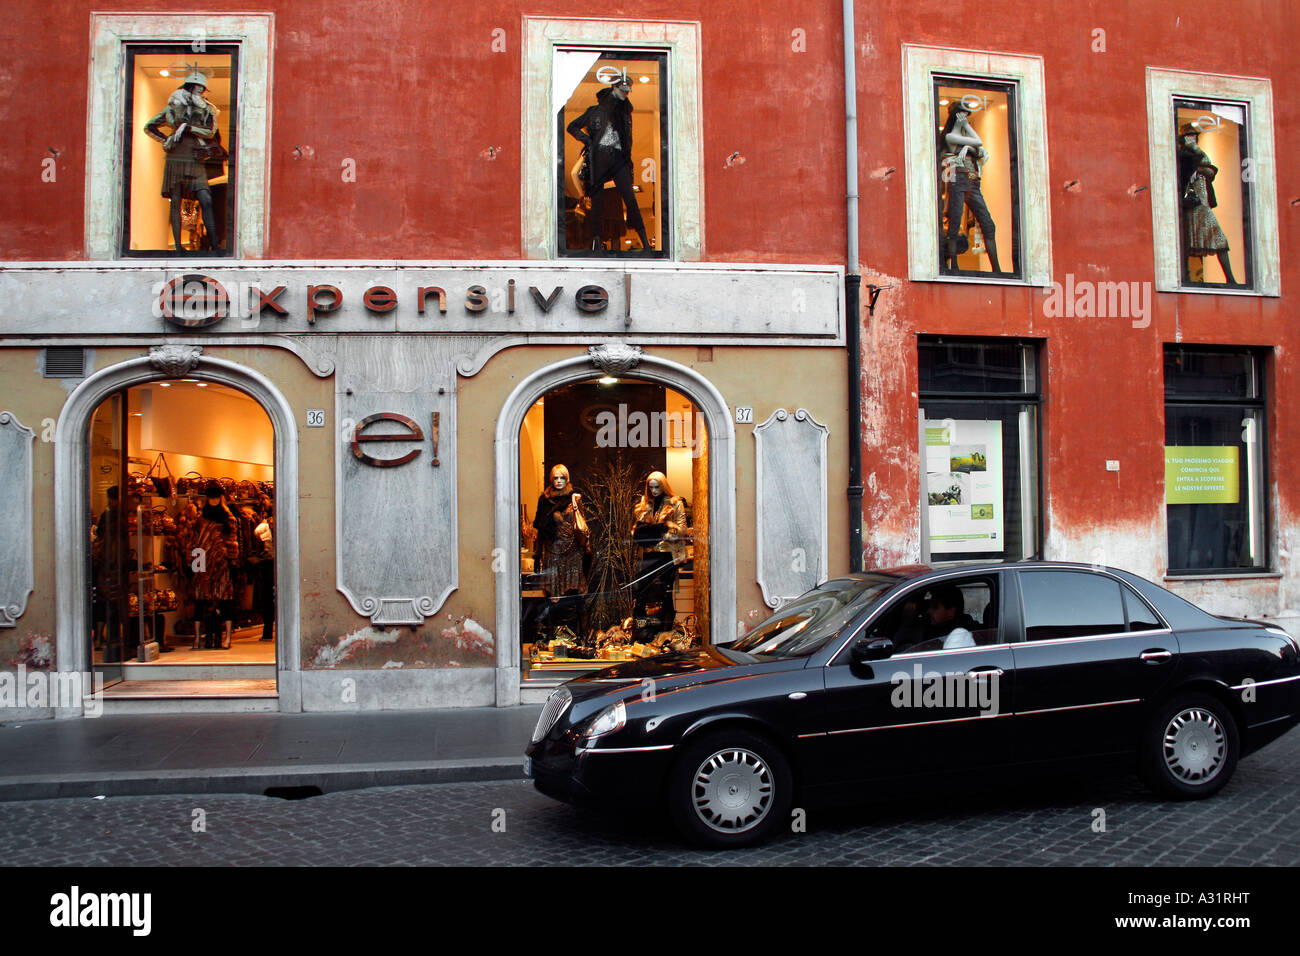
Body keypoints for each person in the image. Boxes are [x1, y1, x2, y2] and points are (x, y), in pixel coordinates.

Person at [566, 72, 652, 252]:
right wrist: (589, 141)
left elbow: (628, 138)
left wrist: (627, 161)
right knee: (597, 202)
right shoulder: (595, 111)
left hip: (618, 159)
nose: (627, 91)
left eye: (628, 88)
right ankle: (597, 243)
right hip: (601, 157)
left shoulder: (624, 112)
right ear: (615, 87)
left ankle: (645, 242)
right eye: (624, 87)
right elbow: (572, 126)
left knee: (630, 199)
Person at [143, 69, 222, 252]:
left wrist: (188, 127)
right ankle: (178, 247)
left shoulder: (207, 109)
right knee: (176, 200)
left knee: (205, 198)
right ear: (189, 86)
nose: (199, 90)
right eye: (197, 87)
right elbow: (150, 127)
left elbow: (209, 131)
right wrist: (166, 139)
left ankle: (215, 246)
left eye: (202, 88)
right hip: (176, 153)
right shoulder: (173, 107)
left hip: (195, 154)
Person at [939, 100, 1002, 273]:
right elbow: (977, 141)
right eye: (963, 114)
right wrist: (965, 128)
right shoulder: (950, 137)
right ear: (956, 116)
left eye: (966, 115)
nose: (965, 117)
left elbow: (978, 141)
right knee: (954, 223)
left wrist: (966, 126)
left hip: (973, 182)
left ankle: (996, 269)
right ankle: (955, 267)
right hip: (957, 179)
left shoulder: (963, 137)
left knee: (988, 224)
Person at [181, 480, 240, 649]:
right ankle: (198, 637)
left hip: (222, 562)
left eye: (216, 497)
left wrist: (232, 561)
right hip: (201, 560)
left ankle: (227, 637)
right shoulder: (200, 518)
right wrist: (191, 563)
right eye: (210, 497)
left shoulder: (228, 518)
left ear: (220, 498)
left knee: (225, 599)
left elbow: (232, 541)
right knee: (200, 599)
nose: (213, 500)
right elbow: (194, 541)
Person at [1177, 123, 1238, 285]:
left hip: (1200, 204)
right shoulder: (1185, 156)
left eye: (1194, 136)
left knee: (1213, 240)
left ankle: (1229, 279)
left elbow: (1209, 169)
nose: (1193, 139)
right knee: (1193, 241)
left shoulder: (1192, 156)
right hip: (1194, 205)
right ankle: (1187, 277)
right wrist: (1193, 148)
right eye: (1189, 136)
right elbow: (1202, 162)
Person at [631, 471, 688, 628]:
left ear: (663, 486)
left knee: (666, 591)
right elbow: (637, 529)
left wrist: (666, 529)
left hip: (668, 553)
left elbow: (682, 529)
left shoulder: (675, 502)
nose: (654, 491)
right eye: (651, 488)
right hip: (649, 552)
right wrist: (643, 531)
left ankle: (666, 628)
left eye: (657, 487)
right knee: (642, 590)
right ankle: (643, 628)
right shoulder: (645, 505)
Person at [532, 464, 588, 597]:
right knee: (553, 594)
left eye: (562, 478)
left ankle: (578, 617)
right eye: (555, 478)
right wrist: (538, 554)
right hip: (553, 551)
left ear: (567, 479)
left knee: (574, 593)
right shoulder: (545, 500)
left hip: (572, 551)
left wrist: (585, 545)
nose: (558, 481)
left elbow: (582, 524)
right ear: (551, 479)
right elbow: (540, 529)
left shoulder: (574, 499)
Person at [926, 583, 979, 649]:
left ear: (951, 612)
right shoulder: (937, 629)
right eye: (929, 606)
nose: (928, 611)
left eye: (935, 607)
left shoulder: (961, 637)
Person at [251, 500, 275, 642]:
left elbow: (259, 542)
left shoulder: (263, 526)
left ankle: (267, 632)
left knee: (267, 598)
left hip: (267, 564)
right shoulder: (287, 522)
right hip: (282, 563)